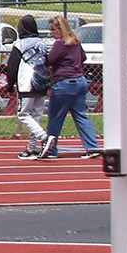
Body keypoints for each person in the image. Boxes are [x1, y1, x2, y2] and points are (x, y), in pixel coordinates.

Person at [44, 15, 102, 158]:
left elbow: (49, 60)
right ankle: (93, 147)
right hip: (79, 81)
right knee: (81, 115)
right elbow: (82, 58)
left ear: (59, 29)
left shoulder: (59, 43)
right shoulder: (76, 42)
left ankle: (51, 149)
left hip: (64, 83)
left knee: (55, 117)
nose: (51, 33)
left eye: (53, 29)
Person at [5, 14, 51, 160]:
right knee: (36, 116)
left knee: (23, 114)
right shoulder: (42, 44)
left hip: (27, 84)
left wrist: (10, 84)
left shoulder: (20, 45)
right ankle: (31, 148)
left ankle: (44, 137)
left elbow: (12, 67)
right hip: (42, 83)